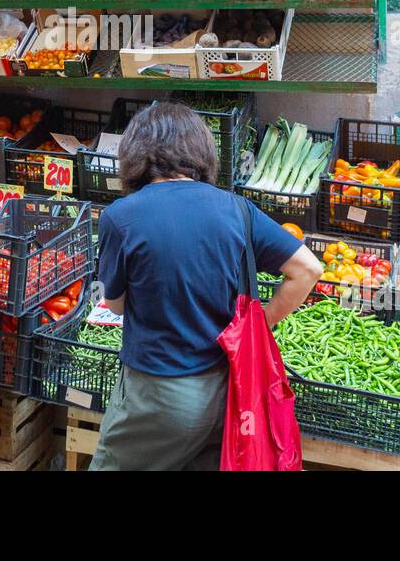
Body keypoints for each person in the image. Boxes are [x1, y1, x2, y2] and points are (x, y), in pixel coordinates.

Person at [90, 102, 322, 471]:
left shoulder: (121, 217)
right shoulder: (238, 209)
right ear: (200, 151)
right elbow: (307, 269)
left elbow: (115, 306)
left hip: (158, 395)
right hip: (229, 393)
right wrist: (261, 322)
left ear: (135, 153)